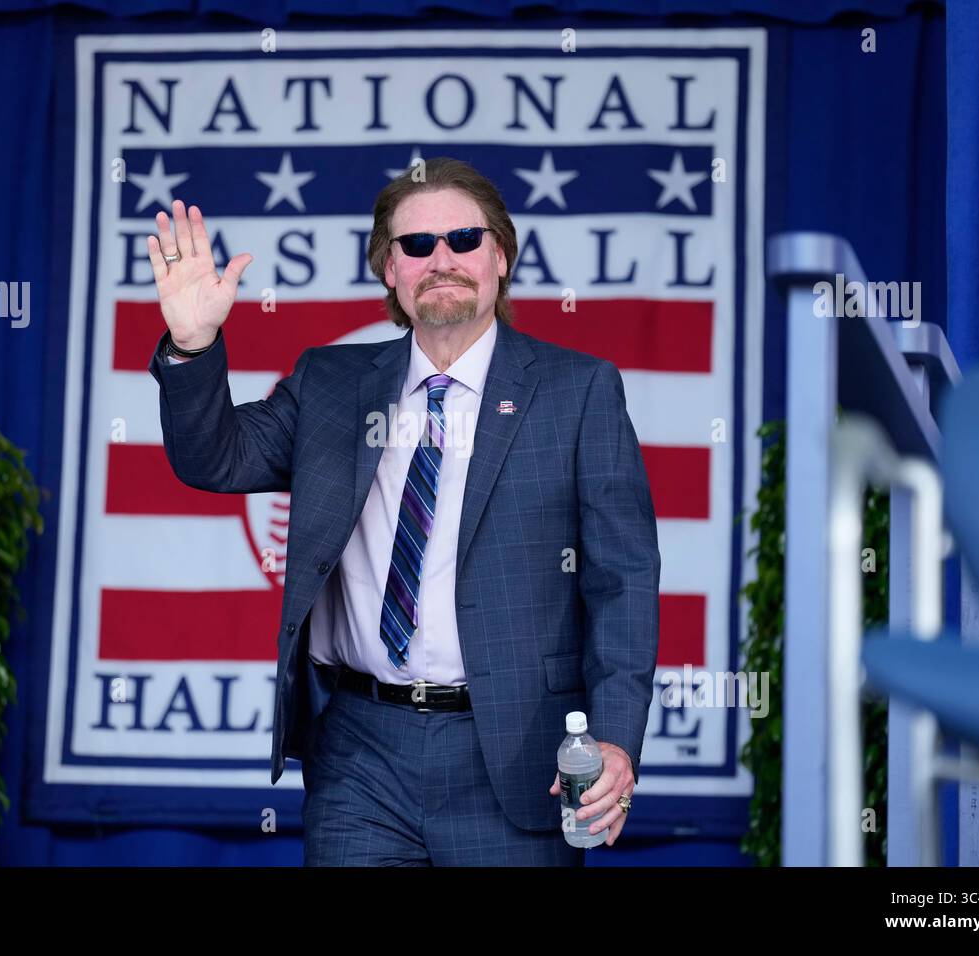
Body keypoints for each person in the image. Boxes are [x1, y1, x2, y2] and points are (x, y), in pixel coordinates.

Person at [145, 157, 660, 866]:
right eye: (415, 245)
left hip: (513, 752)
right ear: (390, 270)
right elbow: (215, 459)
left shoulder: (579, 391)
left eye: (463, 239)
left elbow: (622, 581)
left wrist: (614, 736)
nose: (440, 259)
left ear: (500, 256)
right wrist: (194, 346)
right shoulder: (329, 382)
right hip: (360, 752)